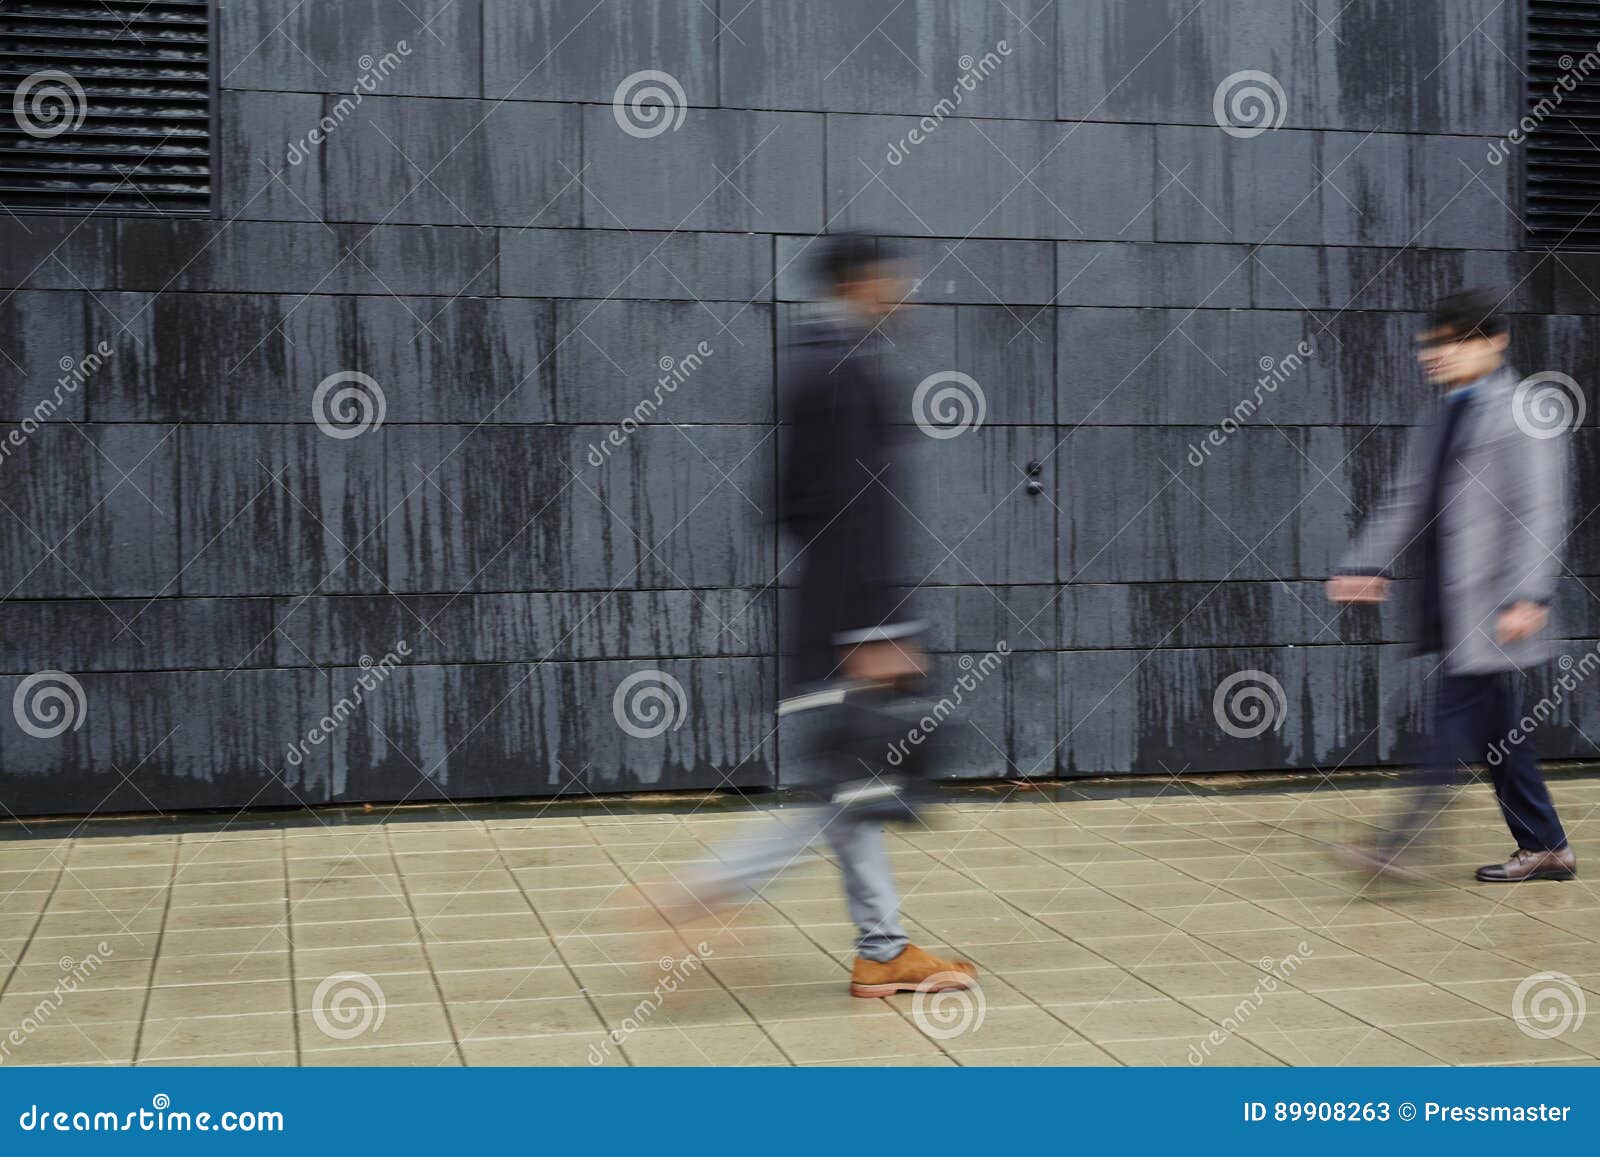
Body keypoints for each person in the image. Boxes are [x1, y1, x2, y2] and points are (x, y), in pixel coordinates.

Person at [664, 232, 978, 998]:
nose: (906, 293)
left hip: (830, 616)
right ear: (863, 284)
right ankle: (697, 895)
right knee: (841, 796)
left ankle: (882, 949)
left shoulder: (814, 362)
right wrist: (873, 631)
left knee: (855, 793)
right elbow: (854, 511)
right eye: (895, 279)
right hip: (848, 624)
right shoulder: (842, 372)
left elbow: (790, 505)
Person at [1327, 289, 1575, 883]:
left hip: (1496, 603)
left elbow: (1543, 509)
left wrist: (1530, 595)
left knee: (1453, 720)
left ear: (1494, 342)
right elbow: (1408, 500)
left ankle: (1397, 846)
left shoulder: (1522, 408)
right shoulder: (1444, 413)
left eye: (1450, 344)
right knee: (1498, 732)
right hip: (1452, 599)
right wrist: (1367, 563)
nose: (1435, 357)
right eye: (1430, 346)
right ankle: (1545, 847)